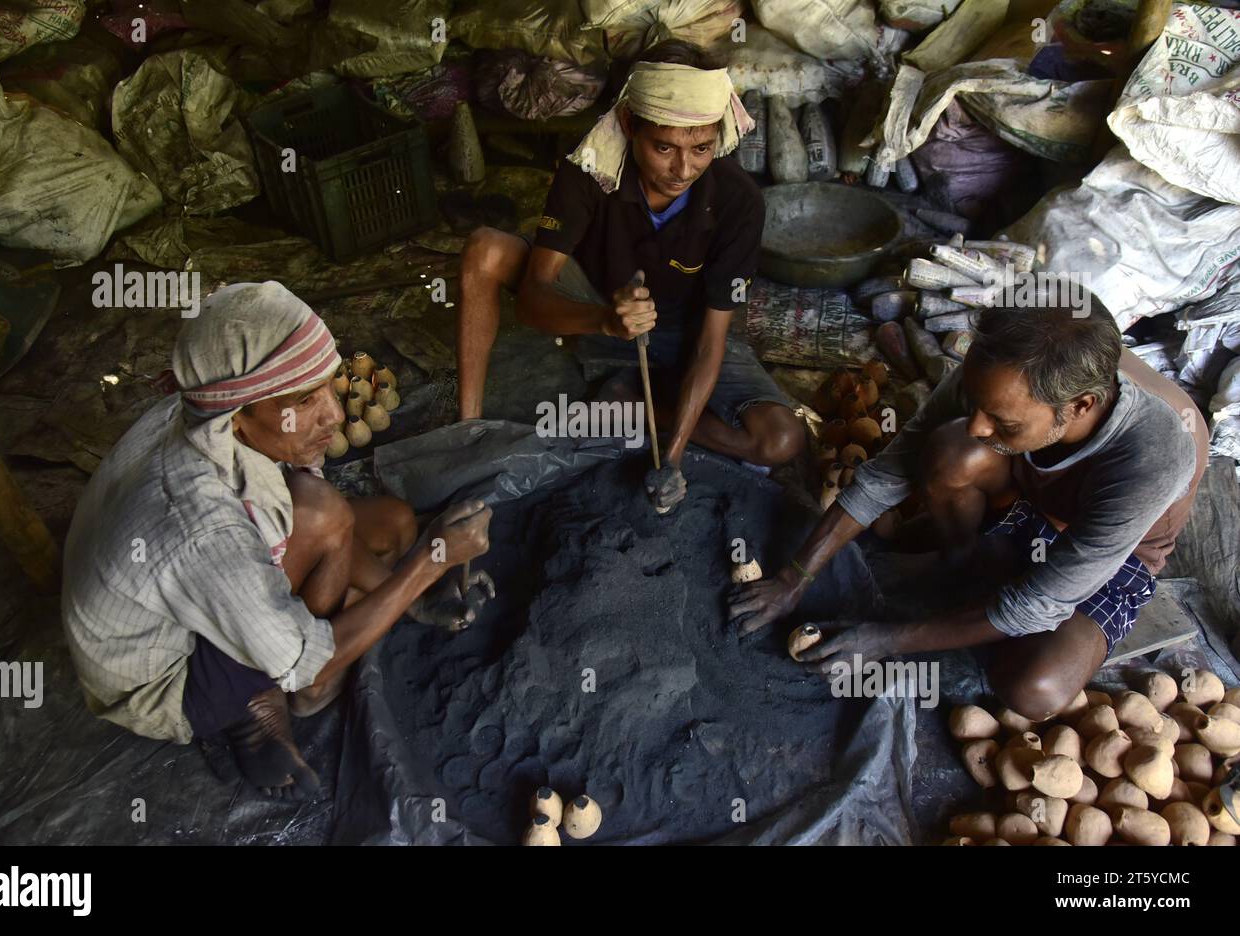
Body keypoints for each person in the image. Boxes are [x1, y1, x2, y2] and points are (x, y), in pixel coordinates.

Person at [62, 282, 492, 799]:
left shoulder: (203, 408)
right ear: (237, 417)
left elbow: (311, 510)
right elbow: (297, 643)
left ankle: (395, 607)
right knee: (337, 534)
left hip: (176, 587)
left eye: (328, 386)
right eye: (304, 401)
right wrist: (429, 561)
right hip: (166, 677)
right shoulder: (202, 528)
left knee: (394, 521)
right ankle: (278, 702)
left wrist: (414, 595)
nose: (333, 415)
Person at [730, 300, 1209, 720]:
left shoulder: (1156, 453)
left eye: (1002, 421)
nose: (979, 425)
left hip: (1114, 559)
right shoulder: (1006, 372)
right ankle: (961, 566)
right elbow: (889, 472)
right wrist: (796, 576)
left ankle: (976, 599)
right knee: (952, 450)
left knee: (1034, 688)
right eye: (980, 405)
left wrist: (884, 641)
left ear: (1081, 406)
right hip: (1030, 497)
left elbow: (1040, 603)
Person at [453, 40, 804, 514]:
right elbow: (533, 301)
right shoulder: (588, 172)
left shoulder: (738, 201)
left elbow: (711, 340)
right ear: (628, 126)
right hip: (595, 308)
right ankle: (464, 429)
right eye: (664, 147)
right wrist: (604, 320)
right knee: (485, 248)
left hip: (685, 331)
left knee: (780, 440)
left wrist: (673, 460)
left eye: (701, 148)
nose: (683, 170)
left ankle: (636, 407)